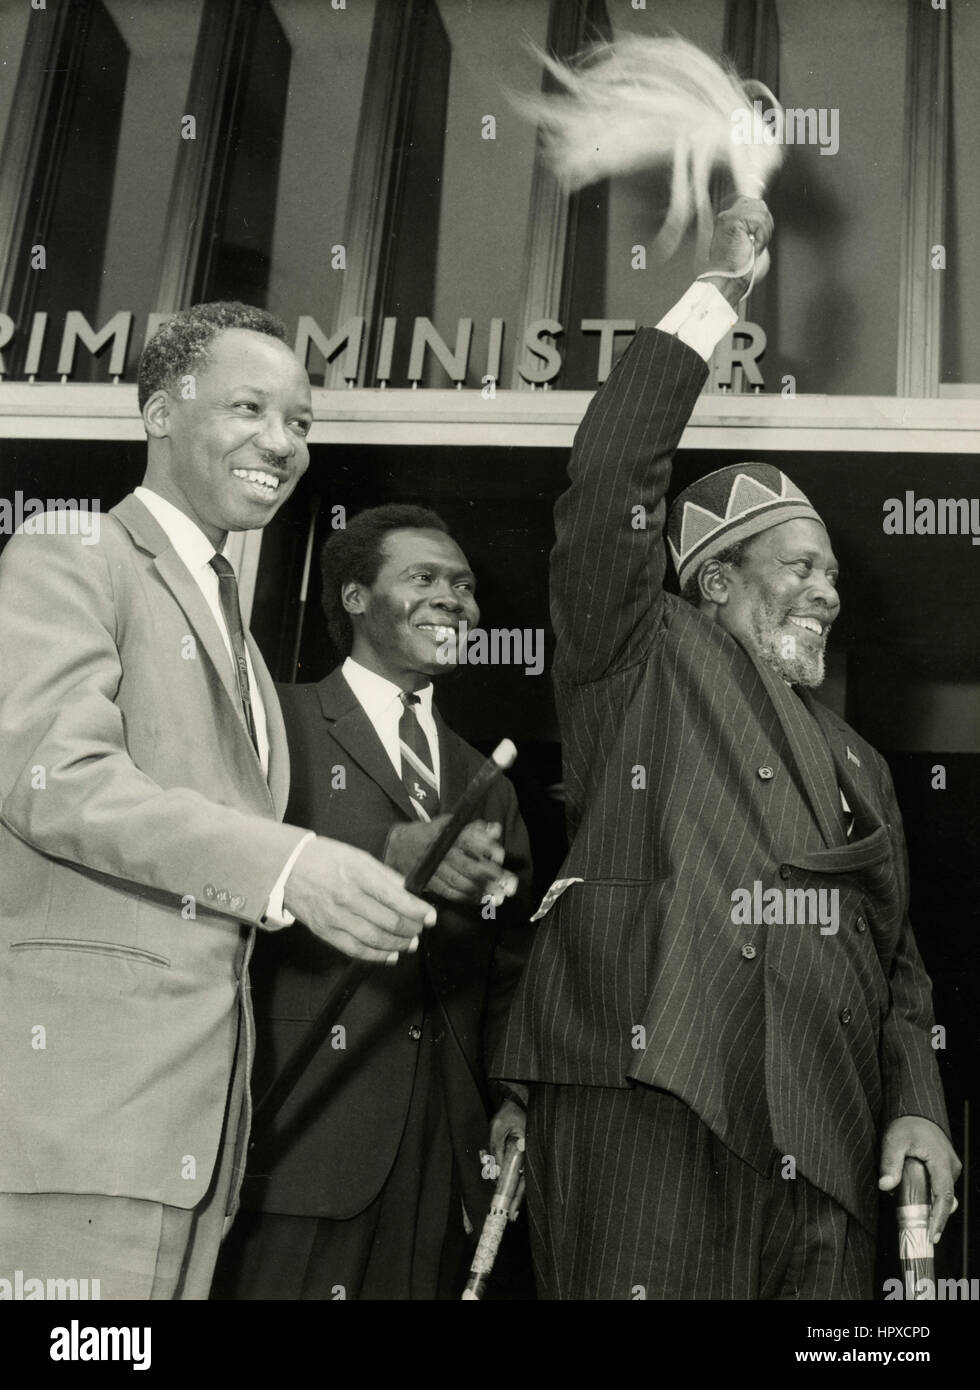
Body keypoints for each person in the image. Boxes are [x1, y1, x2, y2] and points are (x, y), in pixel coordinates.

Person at [495, 199, 961, 1300]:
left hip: (827, 1152)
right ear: (708, 582)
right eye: (796, 566)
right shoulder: (641, 663)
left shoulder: (859, 764)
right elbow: (610, 480)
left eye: (833, 575)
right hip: (653, 1097)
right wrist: (714, 297)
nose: (825, 592)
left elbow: (897, 967)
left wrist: (916, 1104)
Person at [0, 304, 433, 1300]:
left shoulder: (232, 625)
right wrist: (287, 864)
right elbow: (53, 779)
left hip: (189, 1140)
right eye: (249, 407)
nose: (280, 442)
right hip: (80, 1120)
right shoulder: (73, 548)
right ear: (159, 410)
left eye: (300, 421)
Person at [214, 504, 533, 1300]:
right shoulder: (277, 723)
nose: (454, 600)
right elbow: (218, 882)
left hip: (442, 1157)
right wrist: (377, 857)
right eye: (423, 577)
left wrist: (516, 1096)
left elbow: (511, 968)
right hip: (299, 1133)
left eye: (463, 586)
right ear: (355, 597)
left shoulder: (485, 778)